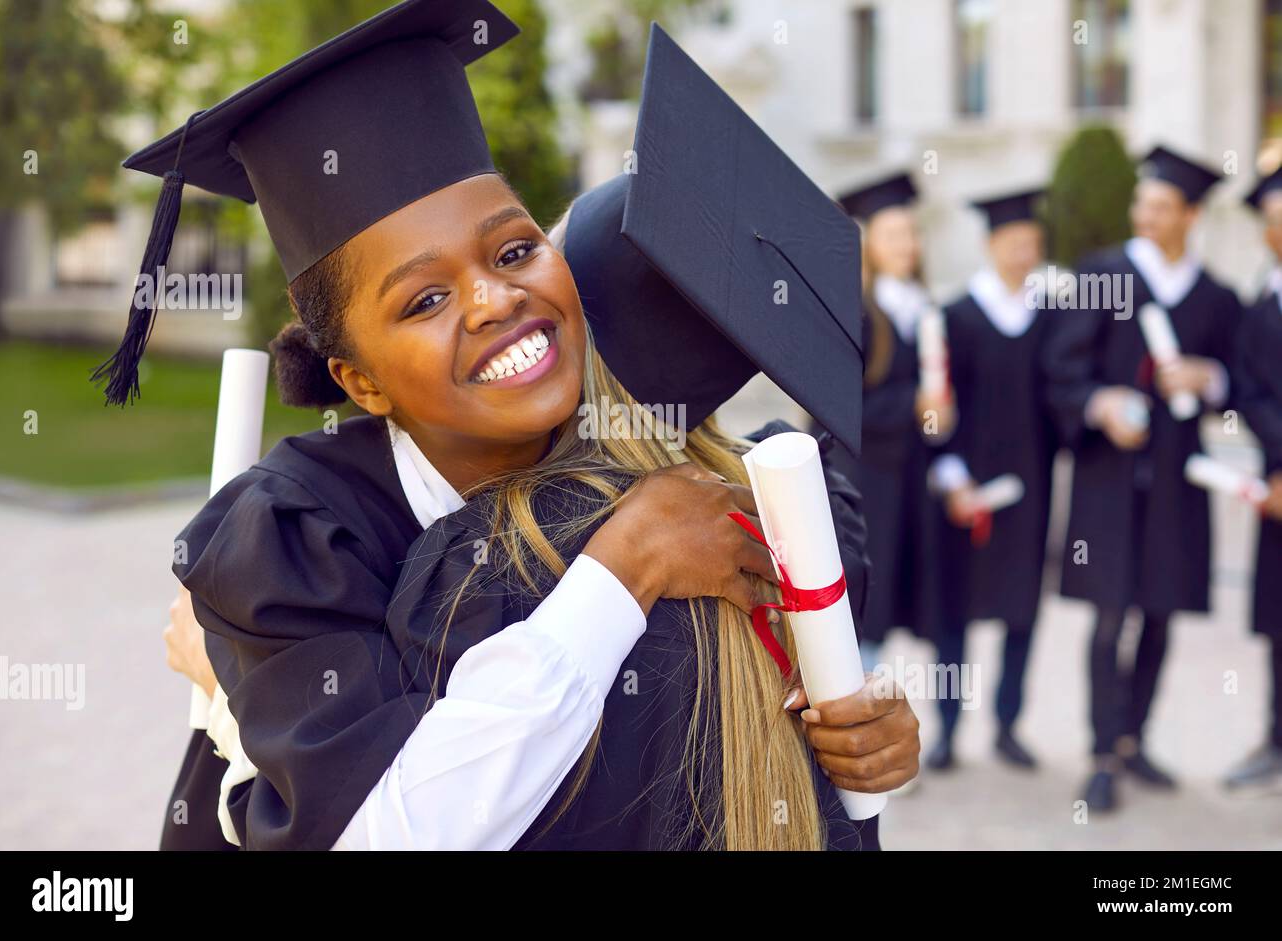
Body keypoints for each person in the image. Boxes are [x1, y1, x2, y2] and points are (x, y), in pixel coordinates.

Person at [123, 4, 918, 850]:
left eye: (512, 252)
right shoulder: (295, 534)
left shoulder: (670, 472)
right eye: (425, 300)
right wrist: (624, 567)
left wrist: (858, 729)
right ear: (358, 380)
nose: (496, 299)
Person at [1044, 145, 1242, 812]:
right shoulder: (1104, 274)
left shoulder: (1216, 297)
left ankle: (1134, 739)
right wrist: (1098, 404)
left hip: (1176, 482)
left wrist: (1209, 378)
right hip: (1109, 477)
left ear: (1191, 214)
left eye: (1160, 207)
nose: (1146, 216)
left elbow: (1241, 385)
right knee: (1108, 620)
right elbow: (1061, 367)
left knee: (1160, 614)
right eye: (1142, 204)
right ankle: (1101, 754)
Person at [927, 189, 1057, 771]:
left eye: (1031, 244)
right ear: (990, 245)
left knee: (1021, 611)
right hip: (965, 488)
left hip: (1031, 487)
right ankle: (949, 730)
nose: (1022, 253)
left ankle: (1008, 724)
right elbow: (939, 407)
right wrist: (950, 475)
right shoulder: (956, 316)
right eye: (1012, 243)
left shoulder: (1051, 319)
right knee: (956, 611)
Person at [822, 173, 953, 670]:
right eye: (894, 235)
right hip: (864, 481)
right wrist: (912, 405)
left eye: (913, 235)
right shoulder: (853, 314)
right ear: (870, 243)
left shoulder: (928, 312)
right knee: (865, 602)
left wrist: (941, 415)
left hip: (912, 477)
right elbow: (836, 408)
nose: (908, 246)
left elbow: (938, 408)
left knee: (904, 593)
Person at [1222, 166, 1282, 794]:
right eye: (1272, 223)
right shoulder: (1262, 307)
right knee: (1278, 625)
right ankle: (1277, 739)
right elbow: (1250, 393)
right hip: (1279, 491)